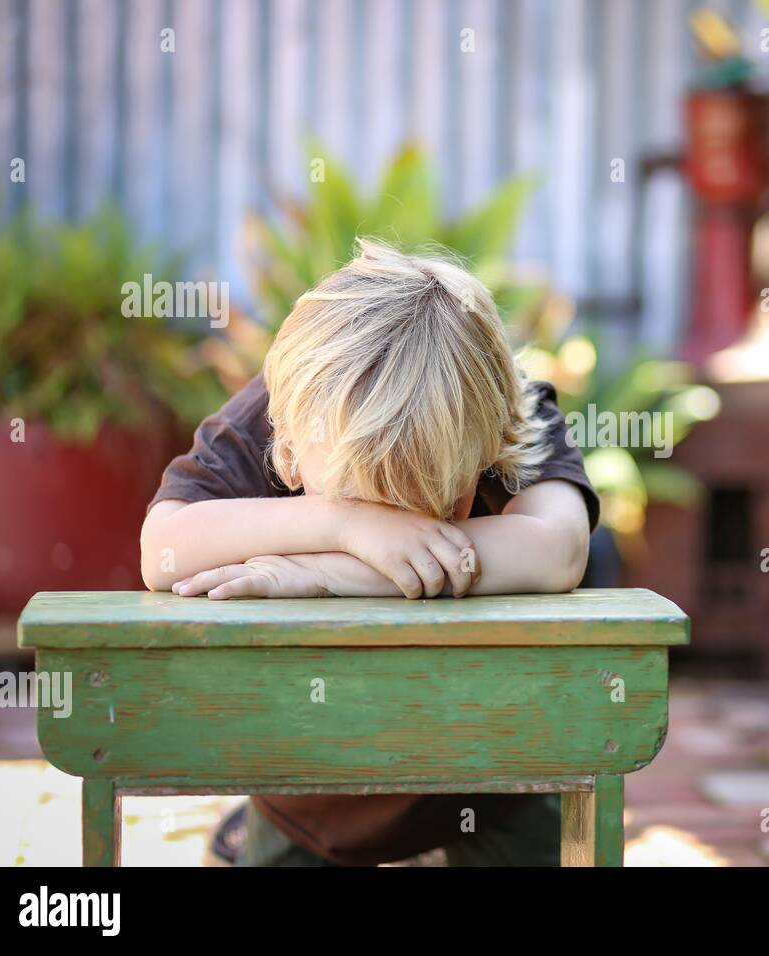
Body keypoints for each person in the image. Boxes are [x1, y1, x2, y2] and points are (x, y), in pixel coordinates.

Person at [140, 238, 598, 866]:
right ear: (292, 450)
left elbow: (559, 549)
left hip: (494, 773)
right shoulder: (290, 402)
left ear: (490, 443)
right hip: (310, 790)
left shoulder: (495, 402)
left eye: (430, 514)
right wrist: (337, 522)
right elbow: (162, 547)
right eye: (362, 501)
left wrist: (328, 573)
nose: (398, 536)